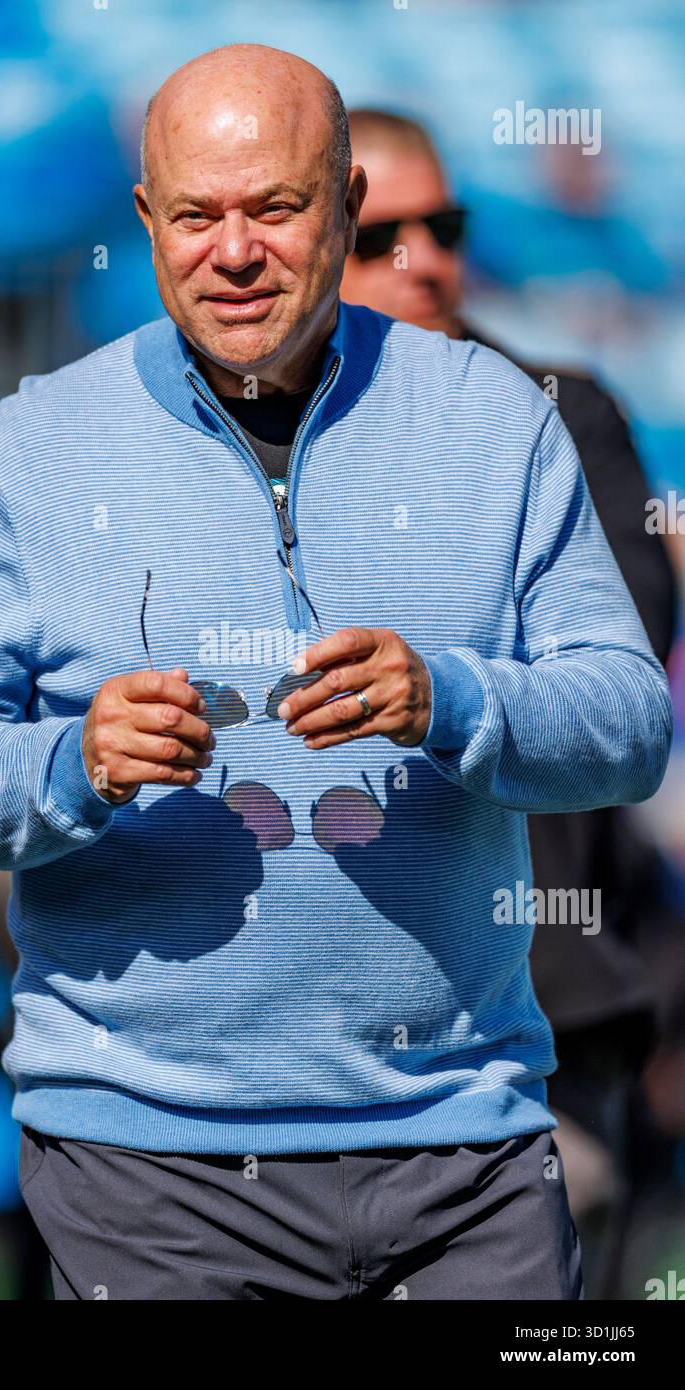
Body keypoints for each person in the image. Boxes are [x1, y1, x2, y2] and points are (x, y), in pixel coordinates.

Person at [0, 44, 672, 1302]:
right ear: (144, 219)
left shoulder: (496, 416)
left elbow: (626, 723)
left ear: (347, 207)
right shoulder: (38, 443)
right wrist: (68, 763)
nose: (230, 250)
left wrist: (455, 700)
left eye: (274, 208)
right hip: (149, 1165)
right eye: (194, 215)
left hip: (461, 1149)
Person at [341, 109, 679, 1294]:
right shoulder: (224, 443)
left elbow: (607, 698)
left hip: (530, 1021)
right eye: (380, 236)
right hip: (312, 1043)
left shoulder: (557, 414)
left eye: (443, 225)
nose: (425, 258)